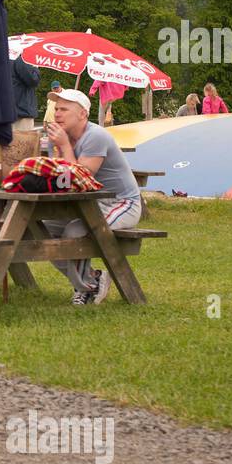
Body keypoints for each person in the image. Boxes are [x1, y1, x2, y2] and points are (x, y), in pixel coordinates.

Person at [42, 89, 142, 306]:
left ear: (82, 114)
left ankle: (85, 287)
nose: (57, 114)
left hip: (122, 203)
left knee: (75, 231)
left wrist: (65, 147)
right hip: (86, 203)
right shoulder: (56, 138)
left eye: (64, 109)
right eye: (56, 109)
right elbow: (61, 180)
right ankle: (91, 281)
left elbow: (80, 179)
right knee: (40, 229)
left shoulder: (96, 136)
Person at [11, 55, 39, 136]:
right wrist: (35, 67)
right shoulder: (21, 58)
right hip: (21, 112)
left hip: (5, 112)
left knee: (5, 147)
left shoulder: (0, 56)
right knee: (23, 146)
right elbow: (33, 80)